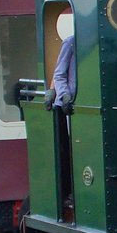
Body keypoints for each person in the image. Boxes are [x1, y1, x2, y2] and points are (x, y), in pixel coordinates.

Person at [44, 35, 76, 217]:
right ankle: (70, 192)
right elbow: (59, 73)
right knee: (70, 149)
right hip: (69, 104)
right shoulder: (70, 42)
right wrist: (64, 95)